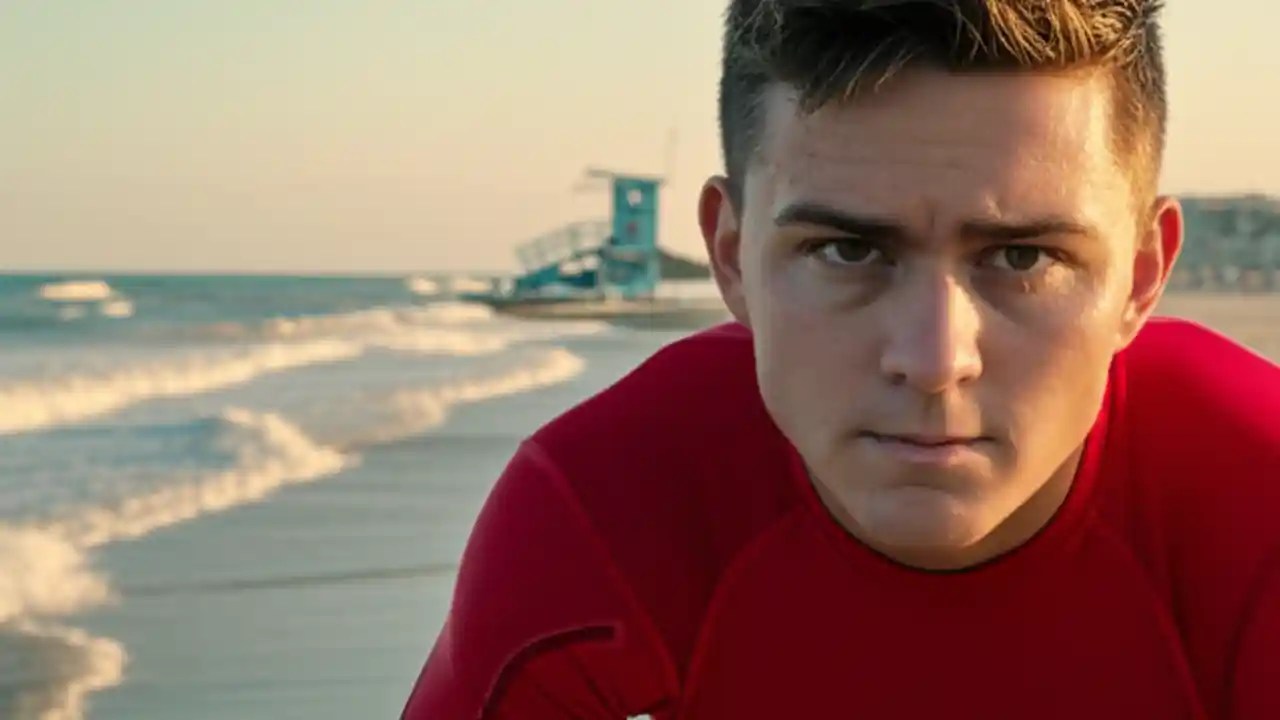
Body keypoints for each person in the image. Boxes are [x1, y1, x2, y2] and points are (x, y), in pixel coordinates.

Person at [401, 1, 1280, 717]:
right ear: (731, 256)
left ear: (1139, 276)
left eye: (1022, 258)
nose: (935, 361)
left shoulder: (1258, 506)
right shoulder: (605, 513)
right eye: (848, 252)